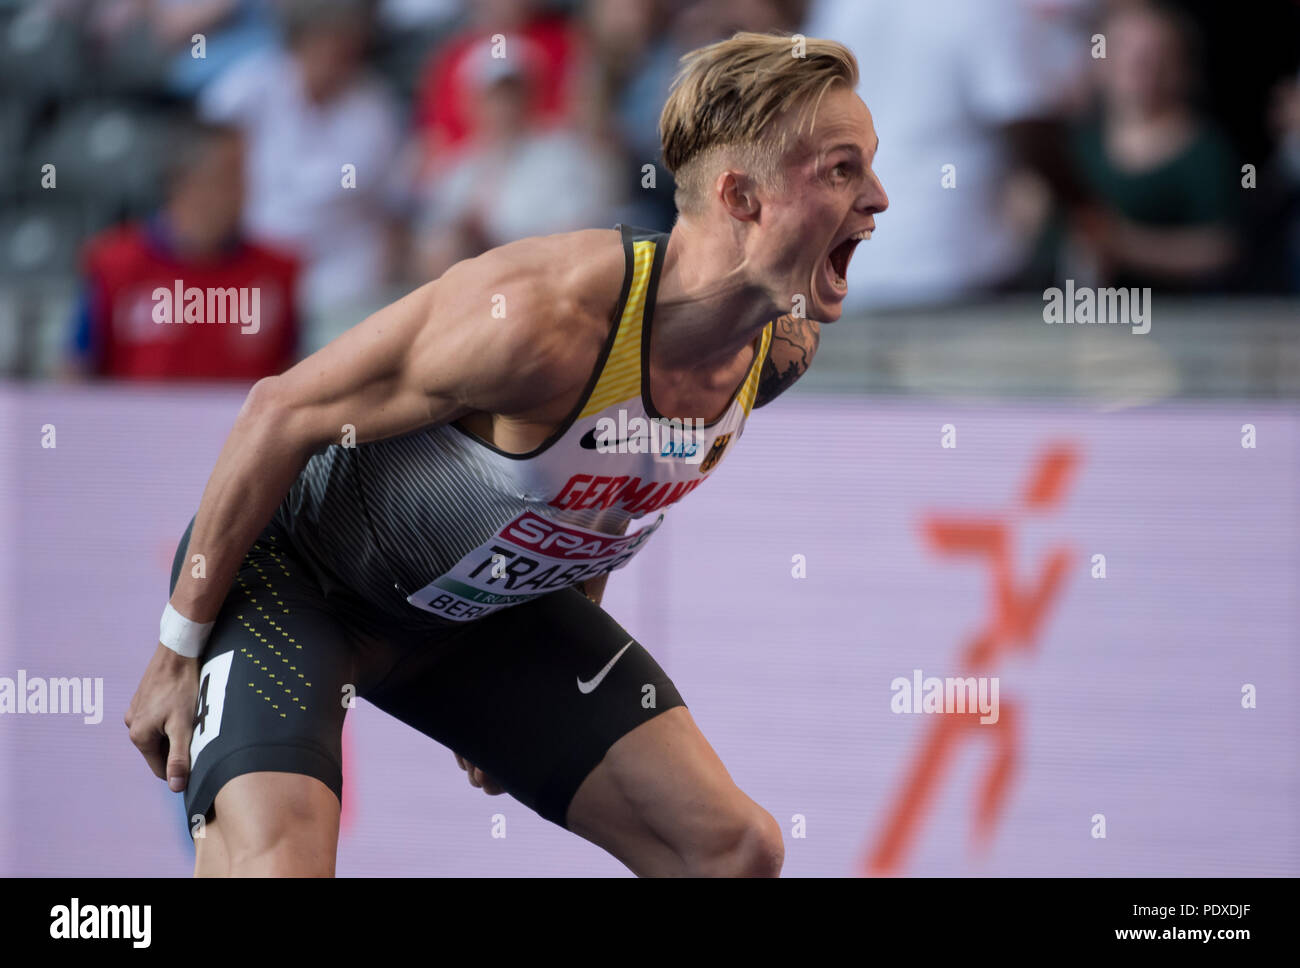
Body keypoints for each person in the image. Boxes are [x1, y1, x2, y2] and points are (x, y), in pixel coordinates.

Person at [125, 31, 887, 877]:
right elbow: (278, 412)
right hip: (300, 580)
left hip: (477, 622)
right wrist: (174, 654)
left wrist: (530, 700)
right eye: (842, 170)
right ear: (742, 197)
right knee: (282, 867)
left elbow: (603, 496)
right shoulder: (535, 317)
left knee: (734, 852)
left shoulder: (777, 350)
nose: (880, 199)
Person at [64, 120, 300, 382]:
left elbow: (291, 374)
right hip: (137, 422)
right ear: (183, 181)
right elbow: (76, 370)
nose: (244, 191)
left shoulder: (277, 271)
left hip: (244, 422)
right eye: (228, 177)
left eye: (244, 176)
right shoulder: (114, 264)